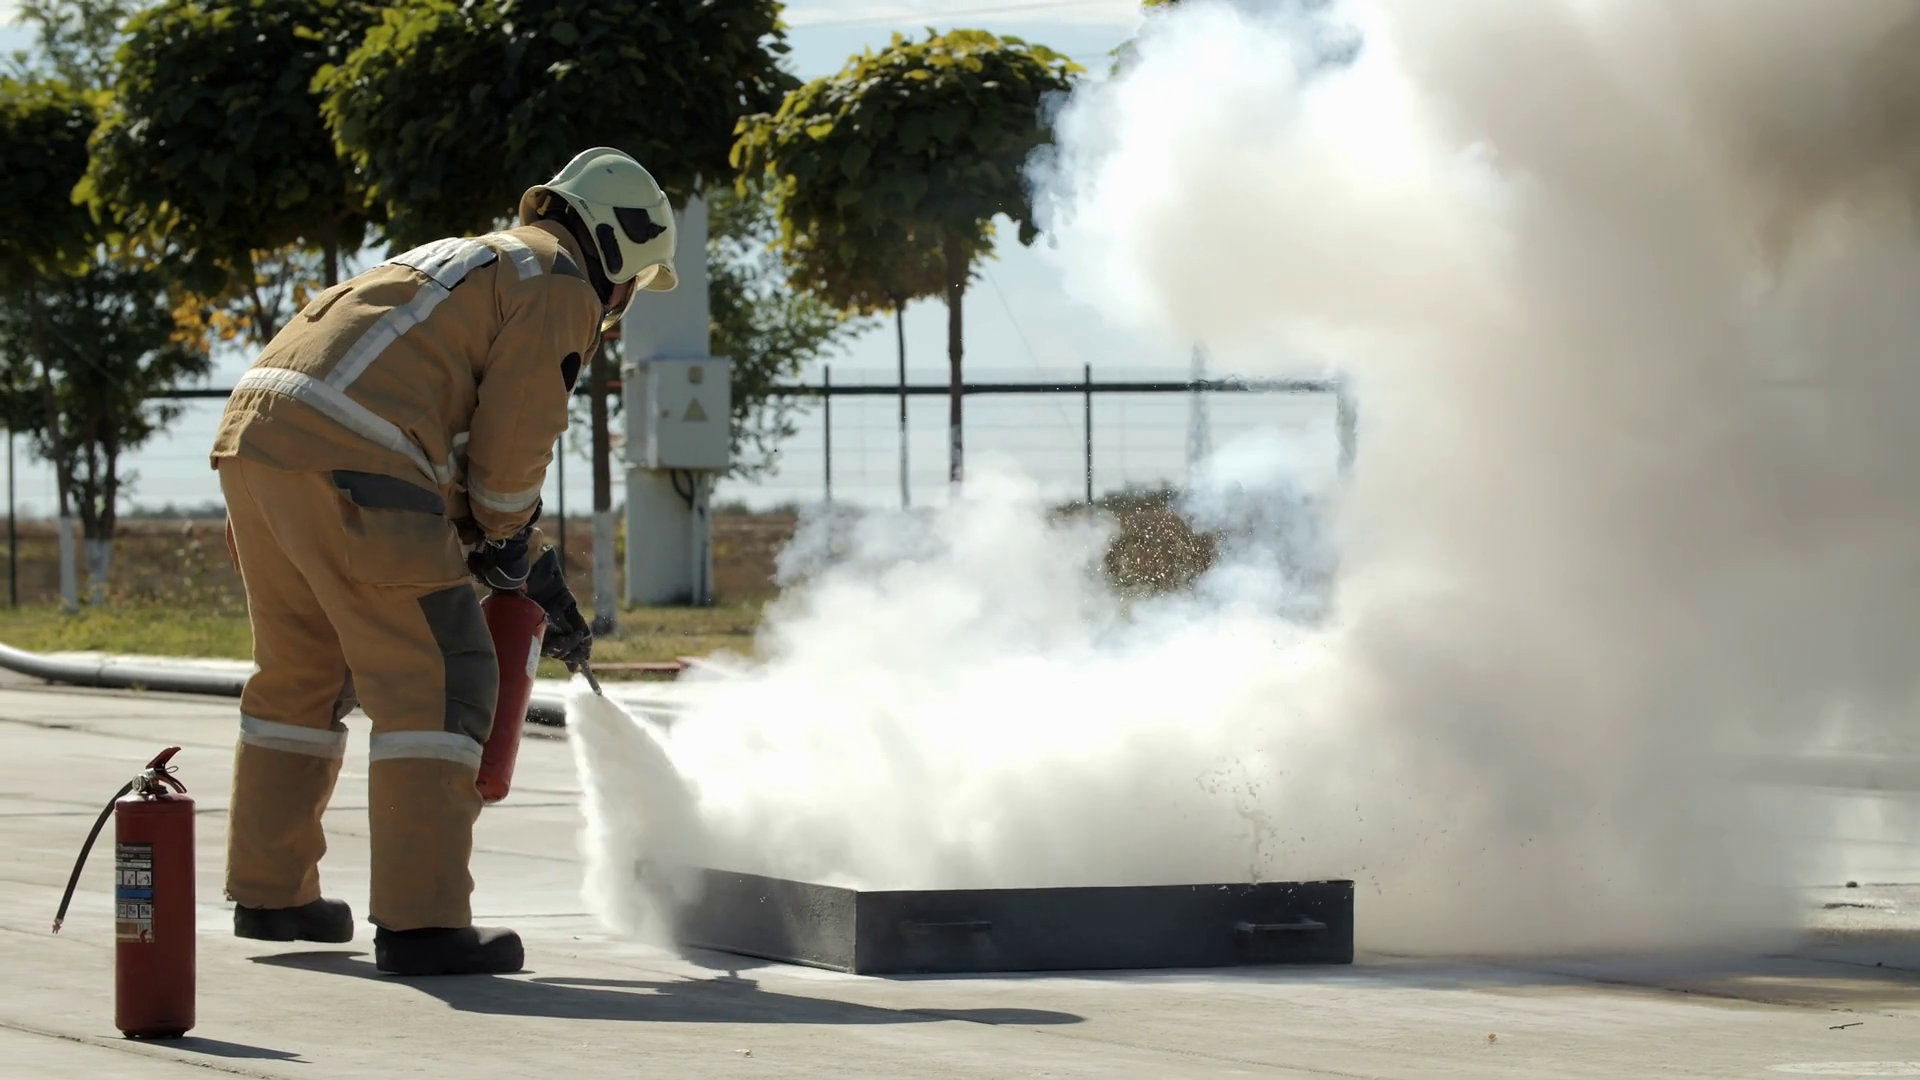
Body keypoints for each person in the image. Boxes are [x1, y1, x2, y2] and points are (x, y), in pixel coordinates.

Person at [208, 147, 677, 976]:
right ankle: (423, 924)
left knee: (301, 672)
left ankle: (271, 893)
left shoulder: (477, 258)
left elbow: (433, 416)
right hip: (355, 455)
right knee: (441, 678)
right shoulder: (560, 282)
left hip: (259, 440)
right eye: (634, 284)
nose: (623, 308)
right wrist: (509, 544)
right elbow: (510, 450)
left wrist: (516, 554)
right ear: (616, 248)